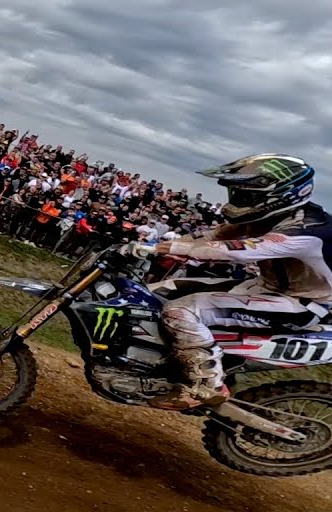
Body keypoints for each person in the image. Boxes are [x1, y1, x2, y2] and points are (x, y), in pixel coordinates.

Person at [128, 154, 330, 409]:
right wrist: (148, 246)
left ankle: (205, 386)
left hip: (298, 304)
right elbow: (209, 238)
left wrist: (165, 250)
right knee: (154, 293)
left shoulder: (308, 230)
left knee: (181, 311)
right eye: (236, 194)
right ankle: (160, 364)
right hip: (264, 288)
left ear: (282, 195)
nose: (237, 201)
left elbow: (233, 250)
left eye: (246, 196)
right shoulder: (266, 217)